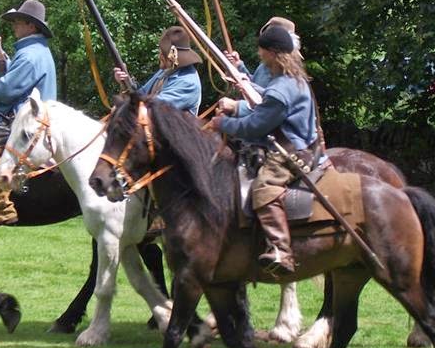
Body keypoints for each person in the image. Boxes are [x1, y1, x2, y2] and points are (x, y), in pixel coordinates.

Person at [210, 25, 318, 275]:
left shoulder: (282, 89)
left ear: (272, 52)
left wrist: (223, 123)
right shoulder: (290, 81)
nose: (259, 54)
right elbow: (265, 100)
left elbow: (256, 125)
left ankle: (281, 249)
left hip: (288, 152)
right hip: (301, 146)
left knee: (263, 189)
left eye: (261, 50)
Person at [0, 0, 57, 229]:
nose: (14, 26)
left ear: (31, 26)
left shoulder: (30, 56)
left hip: (20, 118)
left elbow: (8, 89)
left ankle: (3, 208)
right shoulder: (33, 52)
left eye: (18, 22)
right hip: (22, 114)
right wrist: (2, 56)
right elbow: (17, 76)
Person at [113, 26, 202, 115]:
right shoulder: (167, 70)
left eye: (162, 52)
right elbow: (141, 94)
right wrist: (125, 82)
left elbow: (153, 108)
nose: (160, 56)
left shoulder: (188, 83)